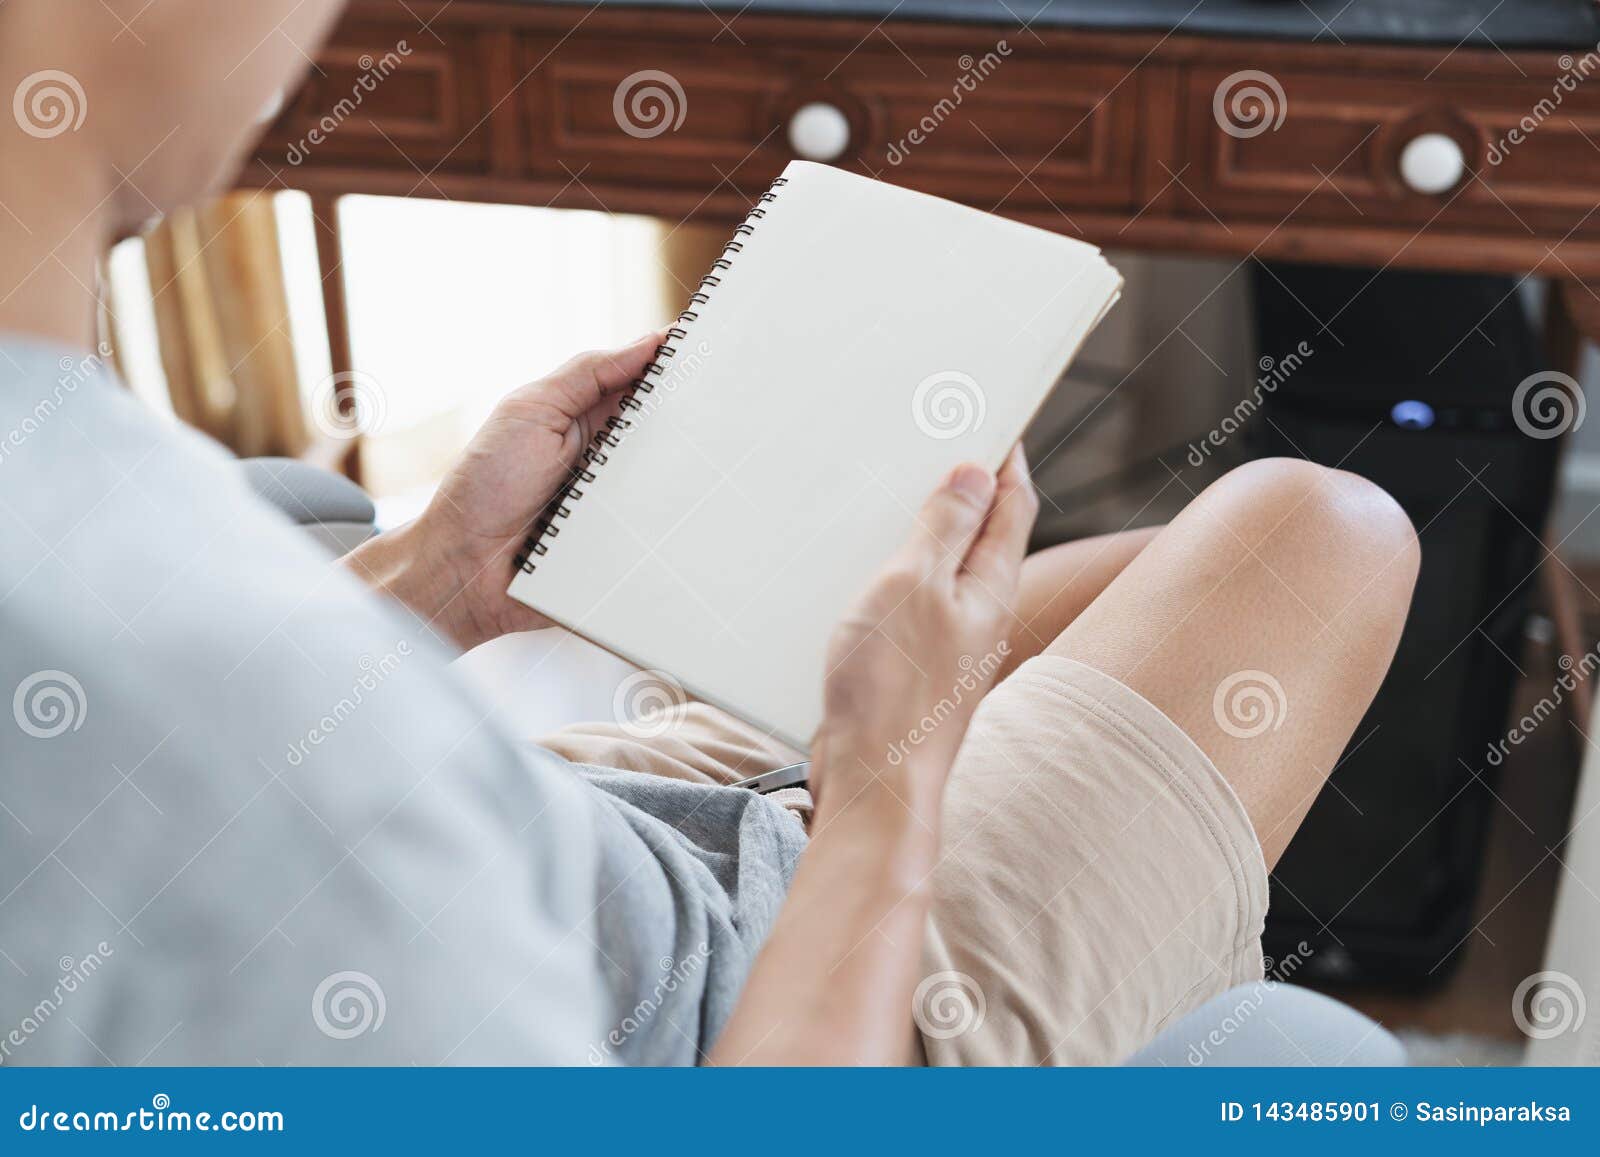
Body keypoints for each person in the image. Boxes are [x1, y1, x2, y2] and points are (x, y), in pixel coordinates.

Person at [0, 0, 1419, 1066]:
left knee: (1147, 574)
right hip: (773, 1005)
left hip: (584, 815)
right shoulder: (207, 698)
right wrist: (883, 784)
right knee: (1321, 529)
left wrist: (435, 577)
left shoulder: (105, 532)